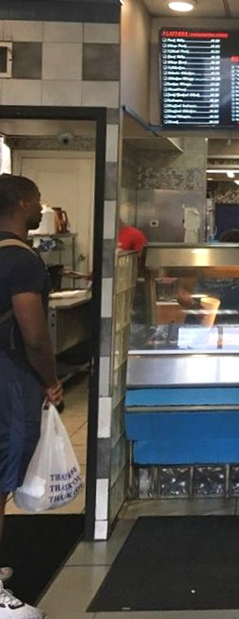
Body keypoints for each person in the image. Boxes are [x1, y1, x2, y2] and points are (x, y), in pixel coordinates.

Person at [0, 175, 63, 619]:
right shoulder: (22, 261)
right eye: (37, 200)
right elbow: (35, 335)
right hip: (9, 374)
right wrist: (51, 379)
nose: (41, 207)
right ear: (22, 203)